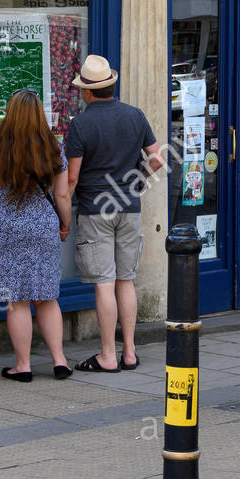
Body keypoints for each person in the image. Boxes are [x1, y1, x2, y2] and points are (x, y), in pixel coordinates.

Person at [65, 54, 164, 373]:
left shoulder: (80, 125)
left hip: (95, 210)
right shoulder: (135, 116)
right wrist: (136, 182)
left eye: (82, 87)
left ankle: (108, 355)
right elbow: (158, 160)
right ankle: (130, 352)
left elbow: (71, 179)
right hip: (129, 207)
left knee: (104, 284)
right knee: (126, 281)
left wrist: (64, 215)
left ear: (88, 92)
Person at [0, 89, 73, 382]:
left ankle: (23, 366)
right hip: (44, 230)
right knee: (47, 298)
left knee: (16, 301)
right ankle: (60, 361)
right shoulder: (54, 149)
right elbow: (62, 194)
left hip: (6, 231)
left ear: (9, 115)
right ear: (39, 115)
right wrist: (65, 223)